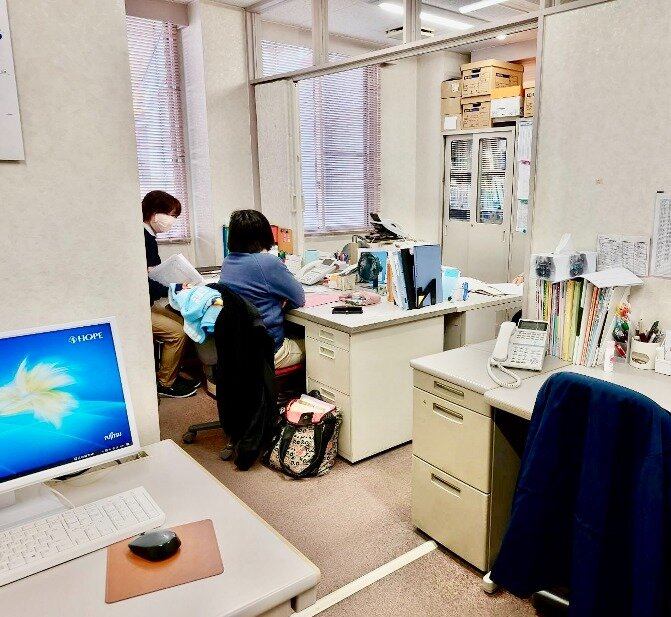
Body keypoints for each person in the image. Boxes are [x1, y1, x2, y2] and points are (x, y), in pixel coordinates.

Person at [219, 210, 306, 368]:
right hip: (269, 351)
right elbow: (299, 298)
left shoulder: (227, 262)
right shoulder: (268, 262)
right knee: (313, 345)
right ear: (265, 234)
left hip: (239, 348)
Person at [143, 190, 198, 398]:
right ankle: (165, 383)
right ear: (154, 213)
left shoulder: (148, 236)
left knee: (183, 320)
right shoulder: (143, 238)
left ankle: (170, 372)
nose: (172, 220)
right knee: (178, 332)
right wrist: (173, 288)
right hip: (139, 307)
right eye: (171, 215)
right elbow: (145, 281)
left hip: (147, 302)